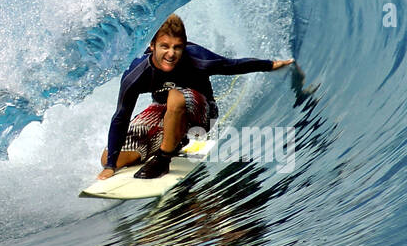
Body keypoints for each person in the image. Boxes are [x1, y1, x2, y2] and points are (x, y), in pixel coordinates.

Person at [99, 13, 294, 180]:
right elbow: (121, 117)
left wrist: (270, 65)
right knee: (111, 156)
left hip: (202, 116)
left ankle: (163, 158)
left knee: (175, 97)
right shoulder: (136, 74)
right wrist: (109, 166)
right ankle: (169, 141)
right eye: (165, 46)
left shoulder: (197, 58)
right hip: (164, 114)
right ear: (152, 46)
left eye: (177, 47)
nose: (171, 53)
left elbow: (233, 65)